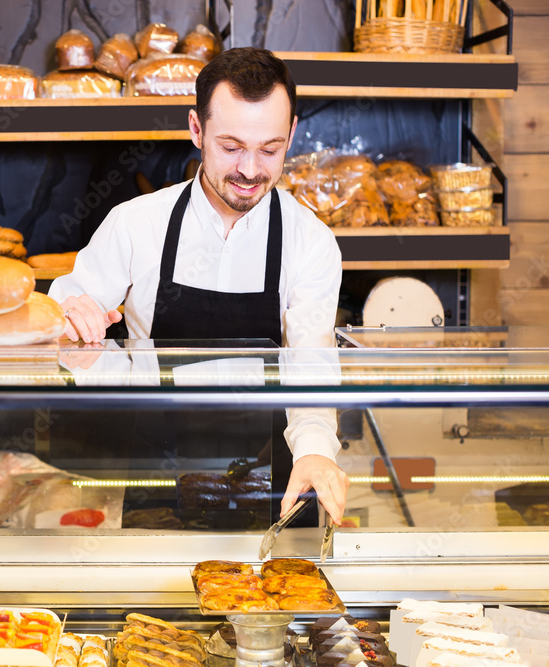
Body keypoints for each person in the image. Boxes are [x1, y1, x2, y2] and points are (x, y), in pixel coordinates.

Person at [48, 47, 349, 525]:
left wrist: (315, 451)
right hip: (157, 477)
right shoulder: (135, 225)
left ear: (291, 135)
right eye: (231, 147)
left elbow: (311, 368)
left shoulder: (310, 242)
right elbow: (64, 310)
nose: (250, 170)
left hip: (275, 480)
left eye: (270, 149)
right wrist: (69, 317)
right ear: (196, 130)